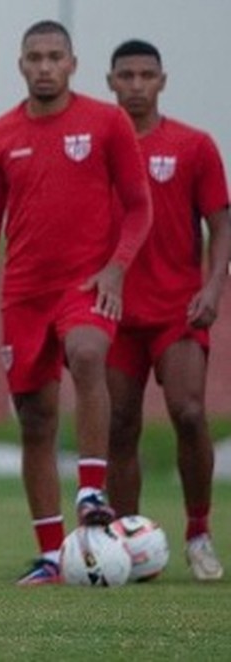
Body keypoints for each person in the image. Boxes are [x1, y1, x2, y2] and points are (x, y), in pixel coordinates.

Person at [0, 19, 153, 586]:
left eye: (54, 57)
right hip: (24, 295)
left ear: (72, 64)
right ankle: (50, 556)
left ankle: (92, 490)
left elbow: (140, 207)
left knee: (89, 353)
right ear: (21, 65)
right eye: (34, 58)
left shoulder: (106, 122)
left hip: (85, 286)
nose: (44, 67)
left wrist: (116, 268)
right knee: (36, 423)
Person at [104, 38, 229, 582]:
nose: (135, 85)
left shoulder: (193, 145)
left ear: (162, 80)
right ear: (109, 82)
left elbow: (221, 224)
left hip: (178, 309)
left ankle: (199, 532)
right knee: (120, 424)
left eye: (145, 75)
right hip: (113, 312)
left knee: (190, 412)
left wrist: (214, 286)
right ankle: (129, 540)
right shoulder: (96, 145)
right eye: (125, 76)